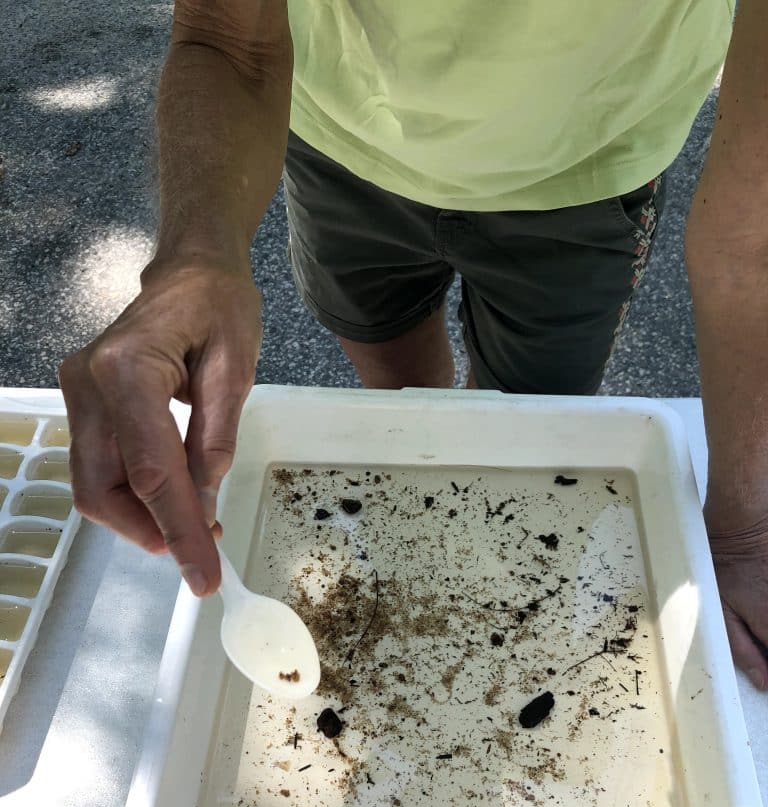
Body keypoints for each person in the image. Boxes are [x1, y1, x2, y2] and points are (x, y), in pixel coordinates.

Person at [59, 1, 768, 689]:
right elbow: (226, 34)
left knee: (522, 431)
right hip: (339, 141)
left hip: (589, 166)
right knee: (397, 397)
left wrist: (744, 531)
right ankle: (420, 542)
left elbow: (753, 239)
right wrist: (195, 255)